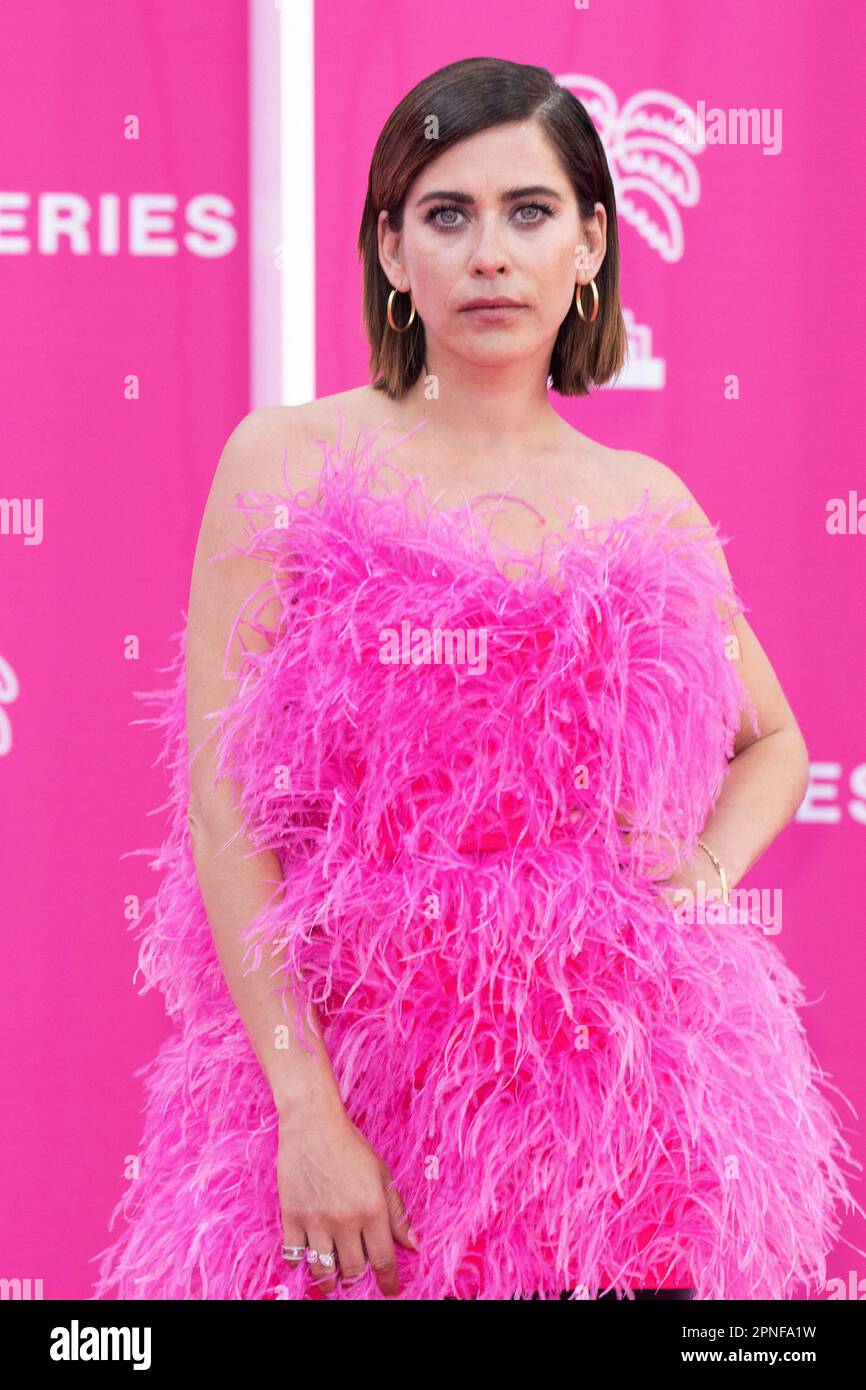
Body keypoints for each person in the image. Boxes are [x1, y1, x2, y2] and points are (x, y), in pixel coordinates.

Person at [91, 56, 861, 1302]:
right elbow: (227, 811)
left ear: (589, 244)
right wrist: (305, 1109)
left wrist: (699, 877)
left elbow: (773, 741)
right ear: (391, 252)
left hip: (625, 1107)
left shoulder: (642, 503)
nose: (489, 254)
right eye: (445, 215)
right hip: (351, 1091)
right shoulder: (288, 459)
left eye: (528, 211)